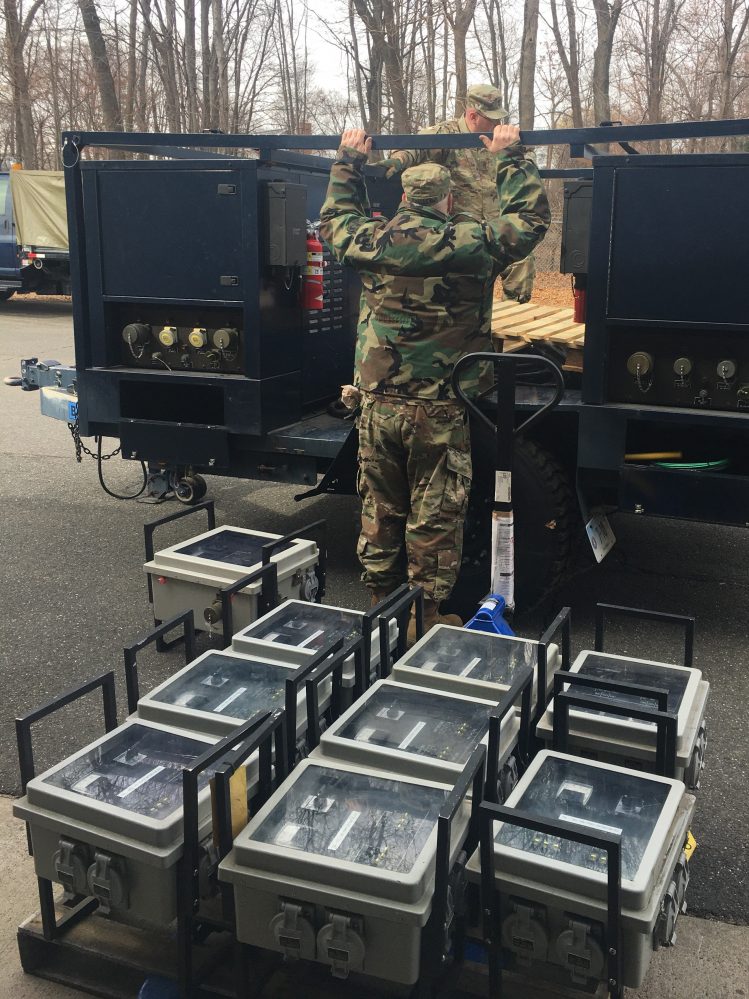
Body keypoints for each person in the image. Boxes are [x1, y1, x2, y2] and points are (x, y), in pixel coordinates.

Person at [319, 126, 550, 636]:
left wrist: (347, 161)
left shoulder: (370, 240)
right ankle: (422, 618)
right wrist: (510, 156)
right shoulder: (472, 243)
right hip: (440, 411)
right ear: (448, 198)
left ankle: (381, 606)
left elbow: (334, 219)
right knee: (434, 517)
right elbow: (530, 219)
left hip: (377, 407)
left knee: (380, 510)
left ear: (404, 196)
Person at [381, 83, 541, 304]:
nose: (498, 124)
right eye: (492, 119)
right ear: (473, 115)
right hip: (458, 230)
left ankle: (511, 326)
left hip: (494, 228)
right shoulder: (445, 134)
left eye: (499, 118)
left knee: (521, 262)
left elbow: (527, 160)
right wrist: (394, 162)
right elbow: (412, 148)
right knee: (460, 286)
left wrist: (512, 151)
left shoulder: (502, 138)